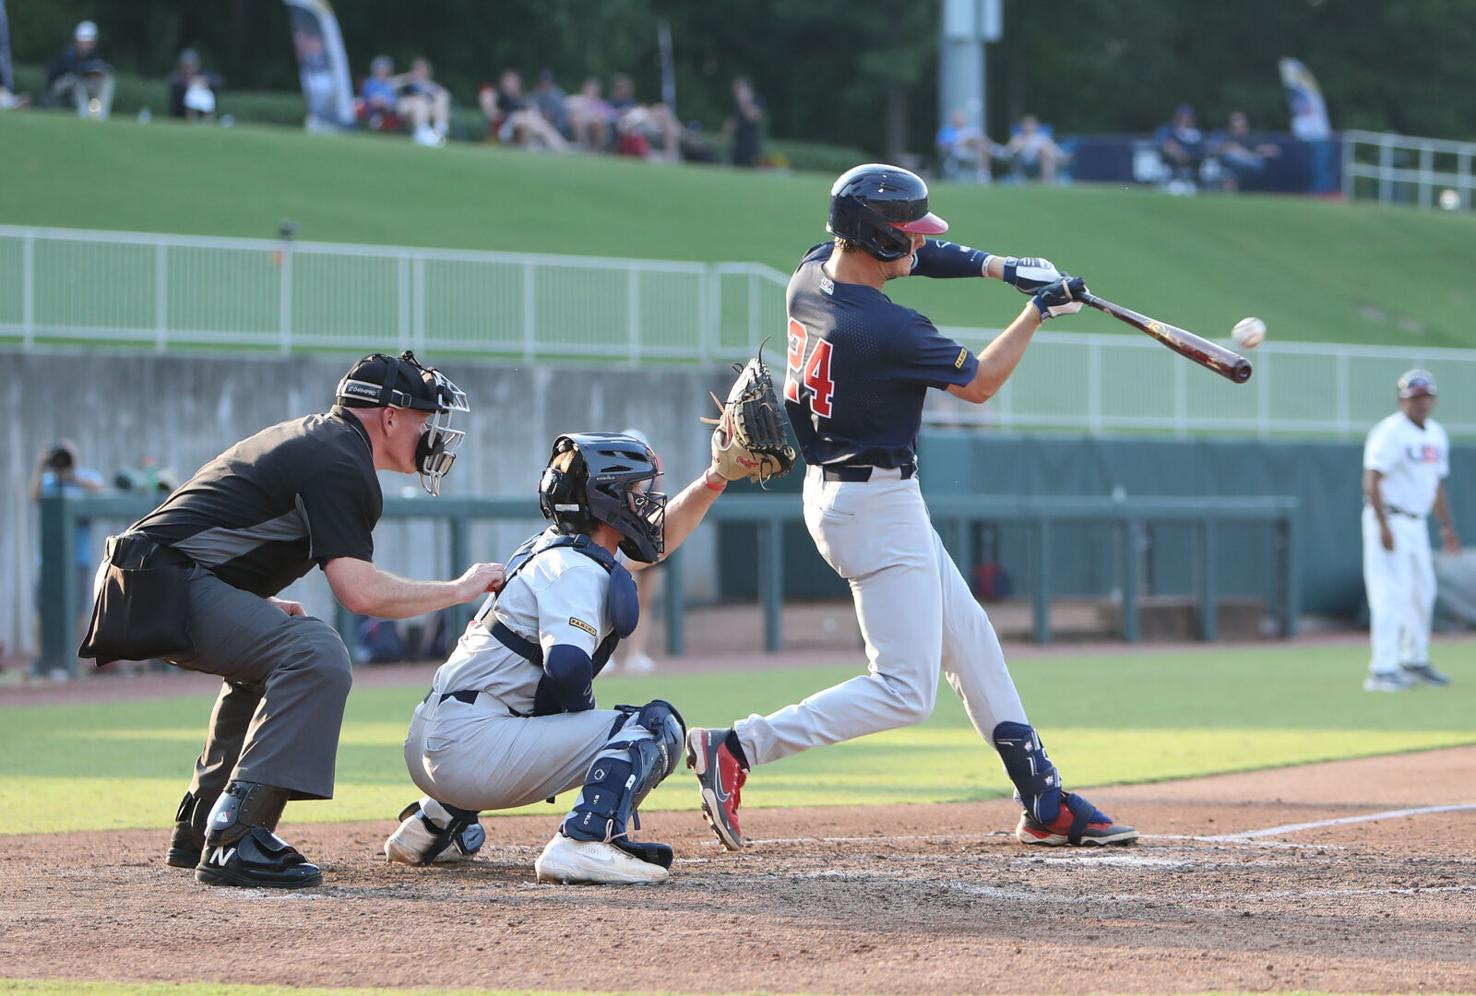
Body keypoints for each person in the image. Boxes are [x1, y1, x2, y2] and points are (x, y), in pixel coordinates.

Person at [684, 163, 1139, 853]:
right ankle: (739, 747)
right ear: (877, 238)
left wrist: (999, 267)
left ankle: (1042, 797)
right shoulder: (885, 330)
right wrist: (1036, 310)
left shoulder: (812, 274)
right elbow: (981, 384)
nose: (918, 244)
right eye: (905, 233)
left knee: (972, 641)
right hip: (874, 507)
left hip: (853, 493)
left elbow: (922, 255)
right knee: (904, 690)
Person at [77, 351, 504, 890]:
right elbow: (359, 593)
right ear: (390, 416)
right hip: (158, 582)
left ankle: (202, 823)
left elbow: (206, 530)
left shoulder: (323, 441)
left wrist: (246, 602)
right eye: (424, 418)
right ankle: (238, 837)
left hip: (145, 579)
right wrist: (459, 588)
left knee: (274, 656)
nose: (432, 433)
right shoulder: (339, 459)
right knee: (314, 651)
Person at [385, 428, 747, 883]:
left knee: (531, 705)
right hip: (469, 750)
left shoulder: (554, 549)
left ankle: (433, 824)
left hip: (438, 740)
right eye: (636, 491)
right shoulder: (575, 569)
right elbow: (568, 666)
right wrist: (583, 730)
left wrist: (715, 477)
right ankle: (583, 841)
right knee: (654, 728)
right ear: (607, 499)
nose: (645, 501)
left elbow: (657, 544)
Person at [1361, 369, 1458, 692]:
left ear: (1433, 399)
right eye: (1413, 397)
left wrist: (1446, 526)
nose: (1420, 402)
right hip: (1390, 518)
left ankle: (1414, 659)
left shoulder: (1436, 434)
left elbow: (1436, 484)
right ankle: (1382, 669)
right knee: (1390, 594)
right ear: (1403, 400)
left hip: (1417, 523)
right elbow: (1372, 479)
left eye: (1424, 396)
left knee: (1423, 593)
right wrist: (1383, 526)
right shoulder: (1390, 432)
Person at [30, 441, 107, 649]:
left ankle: (75, 655)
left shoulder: (86, 478)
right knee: (43, 608)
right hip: (50, 558)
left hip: (78, 558)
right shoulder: (48, 481)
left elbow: (100, 489)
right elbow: (34, 496)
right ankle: (42, 656)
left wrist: (72, 475)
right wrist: (40, 465)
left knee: (78, 610)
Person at [46, 20, 113, 120]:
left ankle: (100, 112)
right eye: (83, 42)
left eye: (88, 43)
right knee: (76, 80)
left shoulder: (95, 56)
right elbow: (57, 76)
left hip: (84, 86)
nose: (85, 46)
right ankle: (84, 111)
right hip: (62, 87)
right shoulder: (68, 54)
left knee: (107, 80)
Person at [1208, 111, 1280, 192]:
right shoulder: (1226, 137)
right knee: (1232, 155)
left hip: (1253, 164)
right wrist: (1240, 151)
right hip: (1232, 167)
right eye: (1236, 125)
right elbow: (1218, 149)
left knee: (1256, 160)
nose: (1240, 128)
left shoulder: (1251, 138)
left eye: (1242, 125)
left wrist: (1255, 153)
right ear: (1231, 126)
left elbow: (1273, 150)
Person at [398, 57, 450, 147]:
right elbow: (390, 85)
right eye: (418, 69)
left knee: (441, 97)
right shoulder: (407, 81)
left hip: (425, 108)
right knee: (420, 102)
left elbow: (446, 95)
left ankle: (439, 131)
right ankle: (421, 133)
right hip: (406, 106)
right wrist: (407, 78)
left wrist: (429, 87)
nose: (420, 72)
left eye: (423, 70)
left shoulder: (429, 85)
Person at [1000, 114, 1067, 184]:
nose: (1028, 127)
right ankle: (1050, 177)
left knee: (1044, 152)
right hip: (1022, 159)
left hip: (1040, 159)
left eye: (1031, 125)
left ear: (1036, 126)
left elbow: (1053, 148)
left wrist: (1060, 155)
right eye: (1026, 125)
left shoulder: (1042, 137)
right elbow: (1007, 151)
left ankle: (1047, 180)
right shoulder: (1017, 138)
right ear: (1022, 126)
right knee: (1043, 151)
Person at [1155, 104, 1205, 193]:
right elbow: (1165, 144)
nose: (1185, 120)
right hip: (1172, 166)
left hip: (1192, 168)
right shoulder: (1169, 129)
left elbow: (1201, 150)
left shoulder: (1197, 133)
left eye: (1188, 117)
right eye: (1182, 117)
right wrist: (1180, 154)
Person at [936, 109, 991, 182]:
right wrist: (960, 142)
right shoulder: (947, 131)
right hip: (955, 152)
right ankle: (996, 150)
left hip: (971, 152)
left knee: (981, 142)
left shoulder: (969, 129)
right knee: (973, 139)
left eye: (962, 118)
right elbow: (941, 145)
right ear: (954, 120)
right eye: (958, 118)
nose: (960, 120)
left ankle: (983, 175)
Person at [167, 49, 222, 121]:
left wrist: (205, 82)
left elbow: (218, 81)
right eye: (185, 67)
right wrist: (189, 82)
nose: (188, 70)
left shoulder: (204, 74)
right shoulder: (178, 76)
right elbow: (173, 80)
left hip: (202, 113)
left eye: (190, 66)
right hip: (180, 115)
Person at [724, 77, 765, 168]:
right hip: (738, 144)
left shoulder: (757, 100)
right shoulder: (736, 103)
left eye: (740, 88)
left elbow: (753, 117)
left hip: (751, 145)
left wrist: (745, 102)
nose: (737, 92)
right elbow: (732, 123)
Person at [565, 76, 613, 151]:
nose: (591, 91)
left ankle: (596, 149)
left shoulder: (600, 104)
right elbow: (567, 109)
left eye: (593, 89)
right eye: (589, 88)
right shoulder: (576, 99)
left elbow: (610, 116)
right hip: (578, 122)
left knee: (596, 122)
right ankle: (582, 145)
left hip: (595, 124)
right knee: (576, 119)